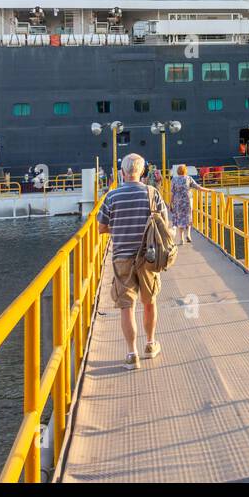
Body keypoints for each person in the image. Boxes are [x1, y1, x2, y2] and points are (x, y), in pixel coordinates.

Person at [97, 153, 168, 371]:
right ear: (142, 172)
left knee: (127, 307)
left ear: (122, 173)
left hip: (122, 258)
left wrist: (118, 228)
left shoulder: (111, 197)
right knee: (149, 302)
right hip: (149, 257)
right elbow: (164, 224)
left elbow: (101, 228)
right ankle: (149, 344)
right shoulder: (152, 193)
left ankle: (131, 354)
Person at [169, 163, 202, 246]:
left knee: (180, 219)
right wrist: (208, 190)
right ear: (185, 171)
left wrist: (170, 203)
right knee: (188, 217)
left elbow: (172, 193)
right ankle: (188, 235)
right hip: (187, 201)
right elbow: (198, 187)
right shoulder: (188, 178)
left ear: (177, 171)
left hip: (178, 202)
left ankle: (181, 239)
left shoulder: (174, 179)